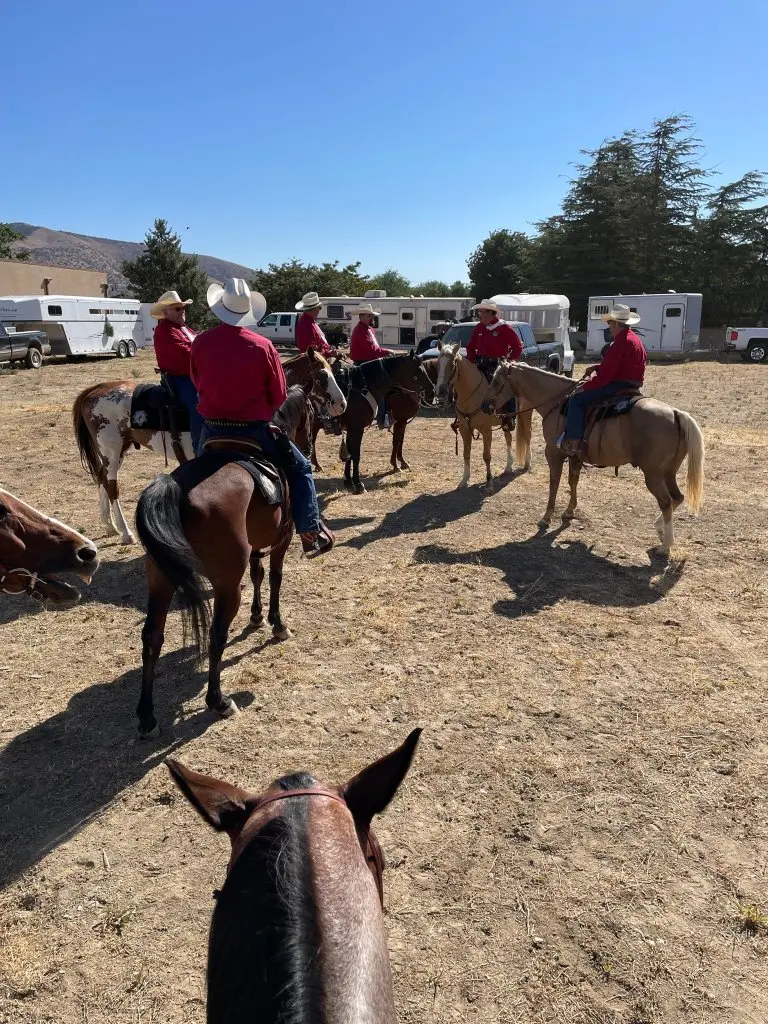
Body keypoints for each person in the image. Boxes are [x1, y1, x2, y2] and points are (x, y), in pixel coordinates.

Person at [191, 278, 334, 558]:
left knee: (193, 474)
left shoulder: (201, 342)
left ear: (220, 307)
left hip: (212, 430)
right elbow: (280, 395)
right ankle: (309, 531)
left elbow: (197, 382)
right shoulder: (263, 346)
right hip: (254, 431)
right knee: (302, 468)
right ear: (246, 312)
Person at [558, 304, 647, 457]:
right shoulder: (635, 339)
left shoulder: (619, 343)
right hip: (632, 384)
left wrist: (585, 387)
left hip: (617, 385)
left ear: (615, 323)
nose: (608, 327)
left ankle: (574, 443)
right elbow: (623, 365)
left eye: (609, 323)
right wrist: (598, 367)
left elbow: (605, 378)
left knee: (576, 400)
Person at [150, 289, 204, 452]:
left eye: (183, 308)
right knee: (200, 407)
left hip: (193, 375)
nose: (182, 312)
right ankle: (199, 449)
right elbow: (186, 355)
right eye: (177, 309)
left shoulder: (183, 329)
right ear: (165, 312)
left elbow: (197, 345)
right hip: (179, 379)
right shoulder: (164, 330)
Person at [466, 299, 523, 427]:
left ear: (491, 313)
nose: (480, 315)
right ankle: (462, 413)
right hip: (480, 363)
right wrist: (470, 362)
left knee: (506, 386)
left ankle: (510, 417)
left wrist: (509, 362)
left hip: (498, 365)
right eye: (479, 312)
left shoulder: (504, 328)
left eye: (482, 312)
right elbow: (470, 347)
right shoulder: (479, 327)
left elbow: (517, 346)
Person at [350, 303, 394, 428]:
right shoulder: (360, 331)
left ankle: (385, 415)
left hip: (371, 362)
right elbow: (372, 350)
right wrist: (387, 351)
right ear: (362, 317)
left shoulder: (368, 329)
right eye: (369, 315)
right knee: (382, 386)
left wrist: (383, 352)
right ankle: (382, 418)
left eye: (372, 315)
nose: (372, 318)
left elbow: (374, 348)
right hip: (364, 364)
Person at [295, 292, 337, 358]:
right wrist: (330, 353)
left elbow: (320, 343)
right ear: (313, 309)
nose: (319, 310)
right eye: (319, 308)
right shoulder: (306, 325)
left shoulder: (310, 321)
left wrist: (329, 349)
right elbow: (313, 350)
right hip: (313, 363)